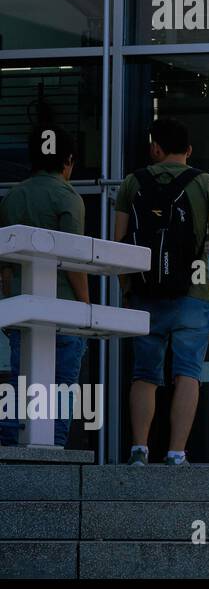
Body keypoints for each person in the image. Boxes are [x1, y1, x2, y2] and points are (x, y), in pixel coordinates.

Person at [114, 118, 209, 465]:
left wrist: (129, 289)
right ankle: (175, 452)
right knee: (188, 373)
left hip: (145, 293)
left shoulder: (131, 183)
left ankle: (139, 449)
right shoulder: (208, 184)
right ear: (189, 150)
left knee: (145, 374)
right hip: (193, 292)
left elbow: (119, 245)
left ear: (155, 148)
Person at [0, 126, 90, 447]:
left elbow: (6, 267)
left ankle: (11, 453)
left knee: (21, 384)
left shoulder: (13, 196)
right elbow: (74, 262)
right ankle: (53, 455)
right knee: (62, 388)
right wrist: (85, 308)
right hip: (63, 314)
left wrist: (10, 307)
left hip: (22, 311)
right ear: (67, 160)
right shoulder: (68, 197)